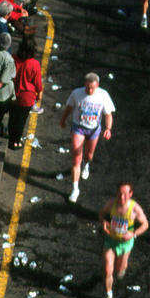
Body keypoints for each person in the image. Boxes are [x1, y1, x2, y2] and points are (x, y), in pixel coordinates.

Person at [60, 73, 115, 203]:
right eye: (87, 88)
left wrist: (108, 128)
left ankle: (86, 165)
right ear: (84, 84)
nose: (89, 91)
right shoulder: (76, 93)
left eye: (92, 88)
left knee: (88, 155)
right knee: (76, 157)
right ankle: (75, 188)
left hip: (94, 130)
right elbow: (69, 107)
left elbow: (108, 114)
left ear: (98, 86)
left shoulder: (103, 95)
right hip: (78, 127)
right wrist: (63, 119)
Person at [99, 182, 148, 298]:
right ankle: (108, 295)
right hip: (111, 240)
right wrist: (104, 222)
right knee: (107, 269)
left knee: (119, 271)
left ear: (130, 194)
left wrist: (133, 233)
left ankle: (122, 267)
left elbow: (145, 224)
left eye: (125, 195)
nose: (122, 197)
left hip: (125, 244)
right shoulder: (111, 204)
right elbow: (102, 214)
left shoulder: (135, 209)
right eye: (120, 194)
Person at [9, 33, 43, 150]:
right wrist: (39, 94)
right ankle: (15, 141)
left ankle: (11, 137)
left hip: (12, 93)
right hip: (27, 97)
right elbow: (38, 83)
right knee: (21, 120)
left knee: (12, 117)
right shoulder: (35, 64)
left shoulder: (13, 58)